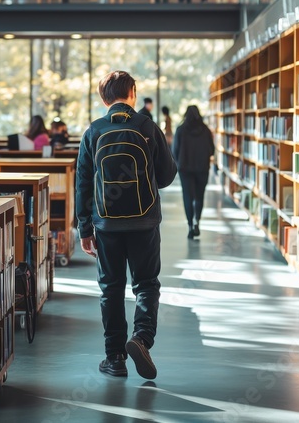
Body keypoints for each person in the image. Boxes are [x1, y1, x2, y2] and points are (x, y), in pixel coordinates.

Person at [76, 70, 176, 379]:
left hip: (106, 225)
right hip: (144, 221)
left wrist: (84, 229)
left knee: (111, 288)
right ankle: (141, 338)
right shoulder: (147, 126)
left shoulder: (93, 131)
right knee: (145, 283)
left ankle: (114, 358)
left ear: (103, 98)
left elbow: (83, 184)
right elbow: (167, 175)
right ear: (132, 93)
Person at [171, 105, 215, 239]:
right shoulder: (206, 130)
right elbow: (212, 150)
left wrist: (179, 162)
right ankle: (197, 222)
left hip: (185, 169)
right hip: (202, 168)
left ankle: (190, 226)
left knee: (187, 197)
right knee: (199, 196)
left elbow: (175, 151)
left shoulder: (180, 130)